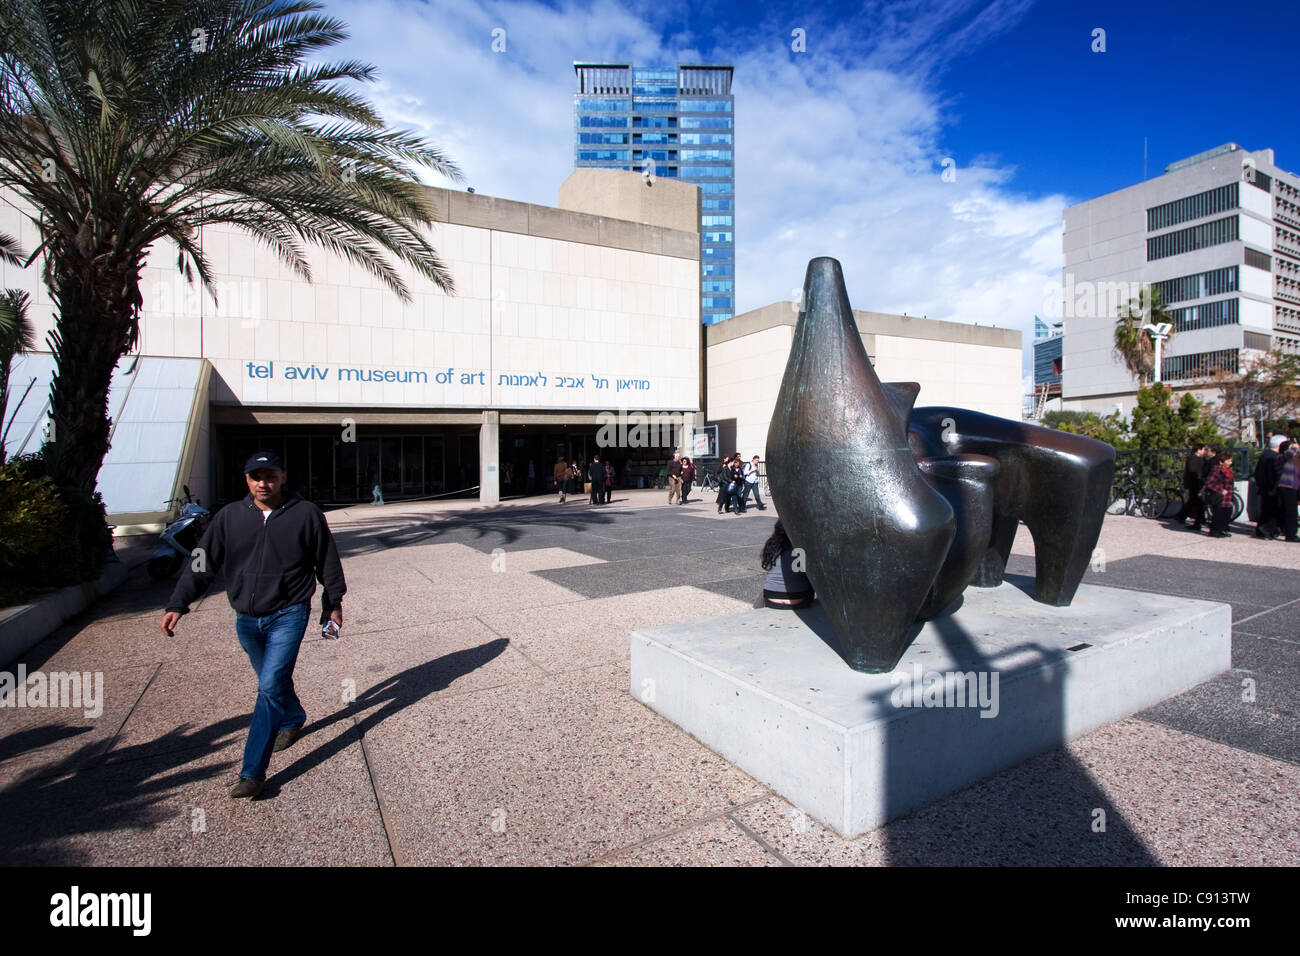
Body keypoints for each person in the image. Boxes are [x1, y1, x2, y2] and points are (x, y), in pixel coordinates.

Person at [160, 451, 346, 799]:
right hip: (246, 619)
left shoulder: (306, 514)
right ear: (246, 480)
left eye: (270, 475)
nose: (264, 483)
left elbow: (327, 560)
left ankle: (252, 772)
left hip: (289, 613)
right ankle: (292, 719)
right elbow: (202, 561)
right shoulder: (230, 517)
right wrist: (178, 602)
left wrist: (331, 603)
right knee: (272, 682)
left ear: (283, 477)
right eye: (256, 476)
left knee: (269, 686)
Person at [753, 520, 814, 609]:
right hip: (799, 600)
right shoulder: (803, 547)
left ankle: (755, 608)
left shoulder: (772, 547)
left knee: (772, 582)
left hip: (770, 599)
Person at [1254, 434, 1287, 539]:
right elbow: (1273, 474)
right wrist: (1274, 488)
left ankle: (1264, 530)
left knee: (1266, 510)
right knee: (1270, 511)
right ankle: (1266, 531)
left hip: (1265, 487)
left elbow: (1258, 472)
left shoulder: (1265, 455)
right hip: (1271, 488)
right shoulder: (1274, 457)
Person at [1203, 447, 1235, 538]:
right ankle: (1215, 531)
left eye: (1231, 461)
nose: (1230, 463)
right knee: (1218, 515)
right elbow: (1209, 482)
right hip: (1220, 497)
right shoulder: (1217, 469)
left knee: (1226, 514)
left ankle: (1222, 530)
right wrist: (1221, 490)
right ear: (1221, 462)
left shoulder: (1227, 470)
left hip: (1227, 498)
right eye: (1228, 461)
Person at [1175, 444, 1209, 530]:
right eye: (1203, 449)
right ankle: (1199, 519)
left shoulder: (1201, 459)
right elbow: (1193, 471)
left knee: (1193, 501)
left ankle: (1182, 516)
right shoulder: (1193, 458)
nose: (1204, 451)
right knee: (1196, 501)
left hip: (1198, 483)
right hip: (1194, 484)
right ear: (1198, 450)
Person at [1276, 440, 1300, 542]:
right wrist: (1294, 448)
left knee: (1291, 511)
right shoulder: (1284, 457)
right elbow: (1288, 454)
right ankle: (1290, 534)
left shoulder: (1294, 459)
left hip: (1293, 486)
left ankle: (1289, 531)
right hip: (1288, 486)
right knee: (1291, 512)